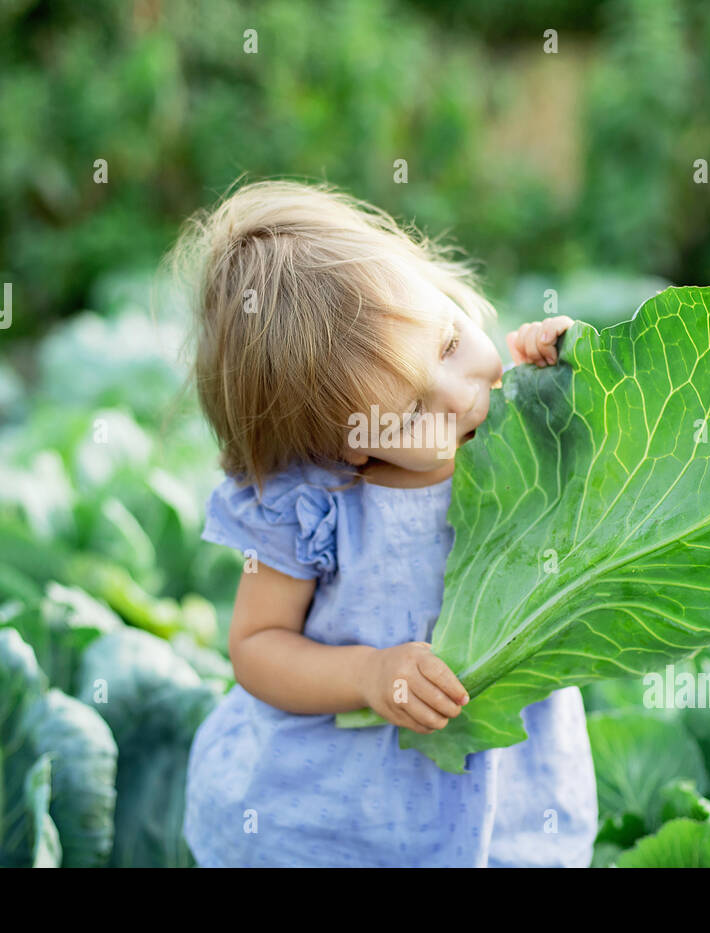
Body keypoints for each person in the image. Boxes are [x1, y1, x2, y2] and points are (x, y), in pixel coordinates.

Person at [170, 177, 596, 866]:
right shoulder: (316, 502)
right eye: (412, 411)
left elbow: (602, 479)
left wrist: (563, 374)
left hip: (512, 788)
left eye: (453, 343)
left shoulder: (518, 425)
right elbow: (256, 645)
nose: (464, 396)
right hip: (341, 814)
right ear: (351, 445)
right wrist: (370, 673)